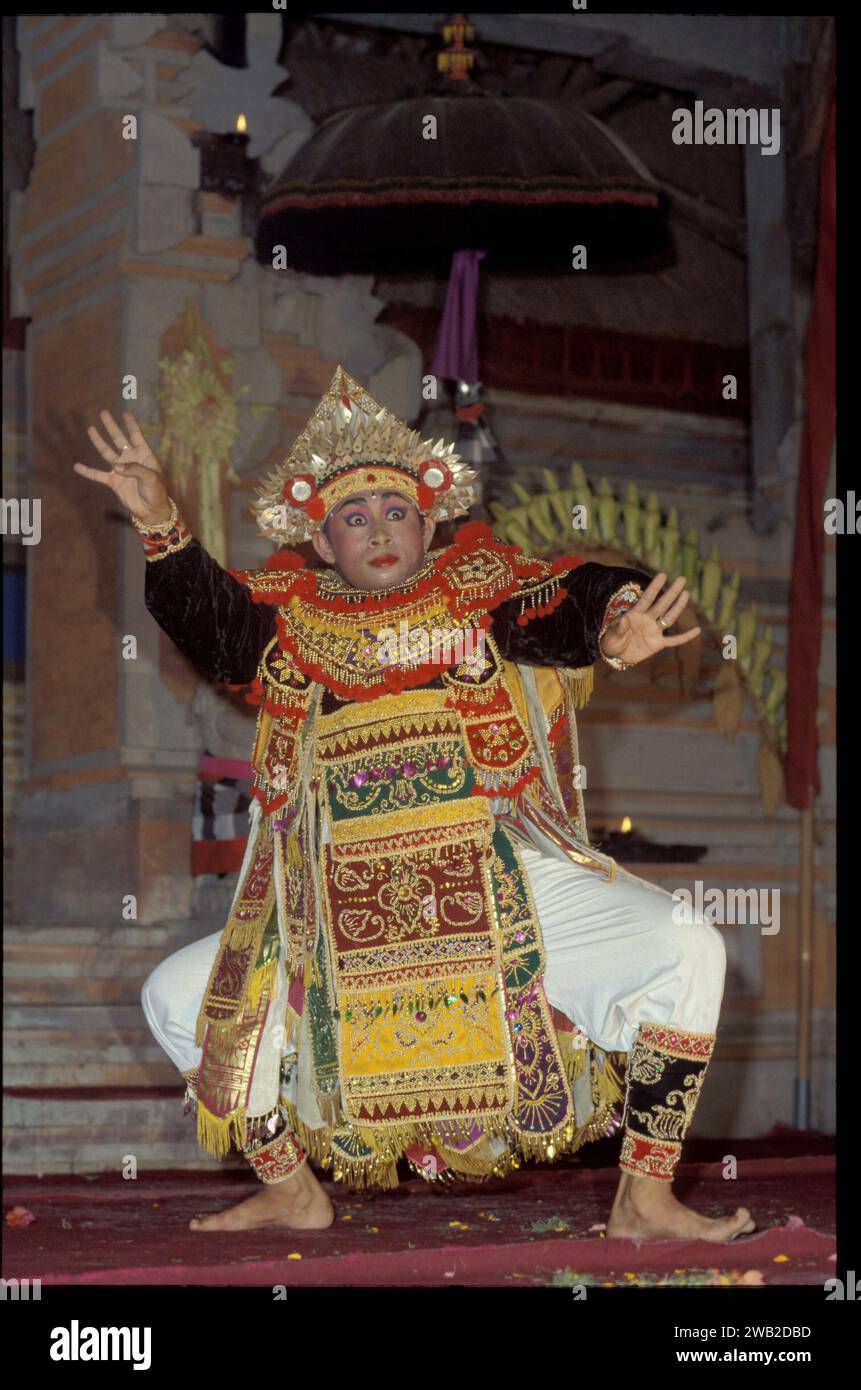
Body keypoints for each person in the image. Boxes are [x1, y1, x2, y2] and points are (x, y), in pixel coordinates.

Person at [74, 366, 755, 1243]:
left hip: (498, 880)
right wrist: (160, 520)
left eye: (395, 511)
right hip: (327, 903)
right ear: (321, 544)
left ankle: (643, 1196)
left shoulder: (481, 593)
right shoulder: (287, 624)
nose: (378, 530)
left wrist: (613, 620)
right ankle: (290, 1188)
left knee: (684, 945)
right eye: (352, 519)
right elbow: (212, 624)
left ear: (427, 521)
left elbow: (565, 596)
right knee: (172, 996)